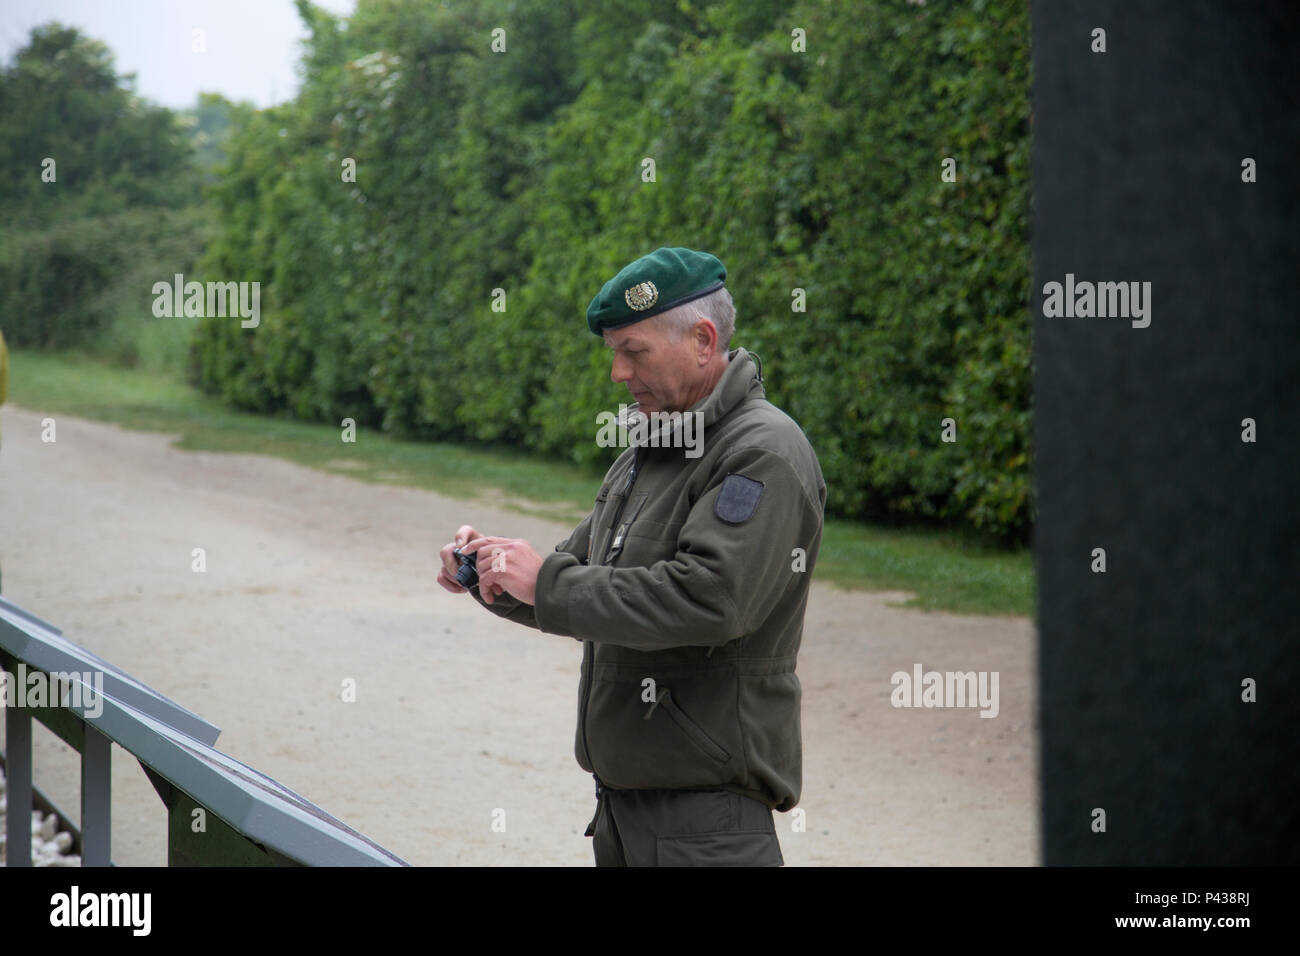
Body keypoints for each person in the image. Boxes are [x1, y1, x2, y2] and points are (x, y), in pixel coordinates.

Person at [437, 247, 826, 866]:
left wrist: (547, 583)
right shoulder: (653, 445)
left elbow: (710, 599)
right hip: (625, 813)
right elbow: (576, 583)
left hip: (704, 825)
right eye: (613, 353)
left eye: (634, 351)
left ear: (703, 340)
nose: (618, 373)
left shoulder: (761, 451)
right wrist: (492, 573)